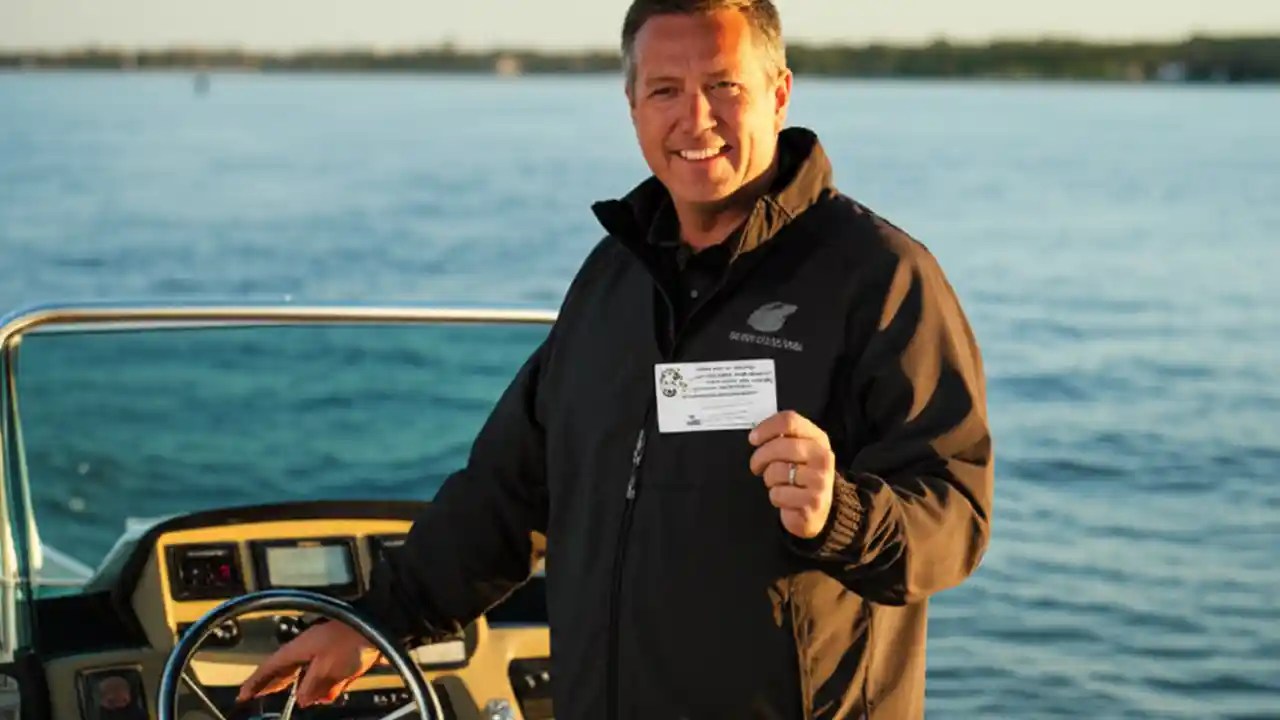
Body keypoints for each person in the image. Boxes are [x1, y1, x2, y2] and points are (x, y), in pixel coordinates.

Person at [239, 1, 994, 717]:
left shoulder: (880, 277)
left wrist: (841, 514)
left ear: (778, 93)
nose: (696, 119)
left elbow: (954, 513)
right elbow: (508, 489)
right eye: (666, 89)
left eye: (724, 86)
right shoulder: (613, 278)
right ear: (632, 104)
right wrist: (376, 623)